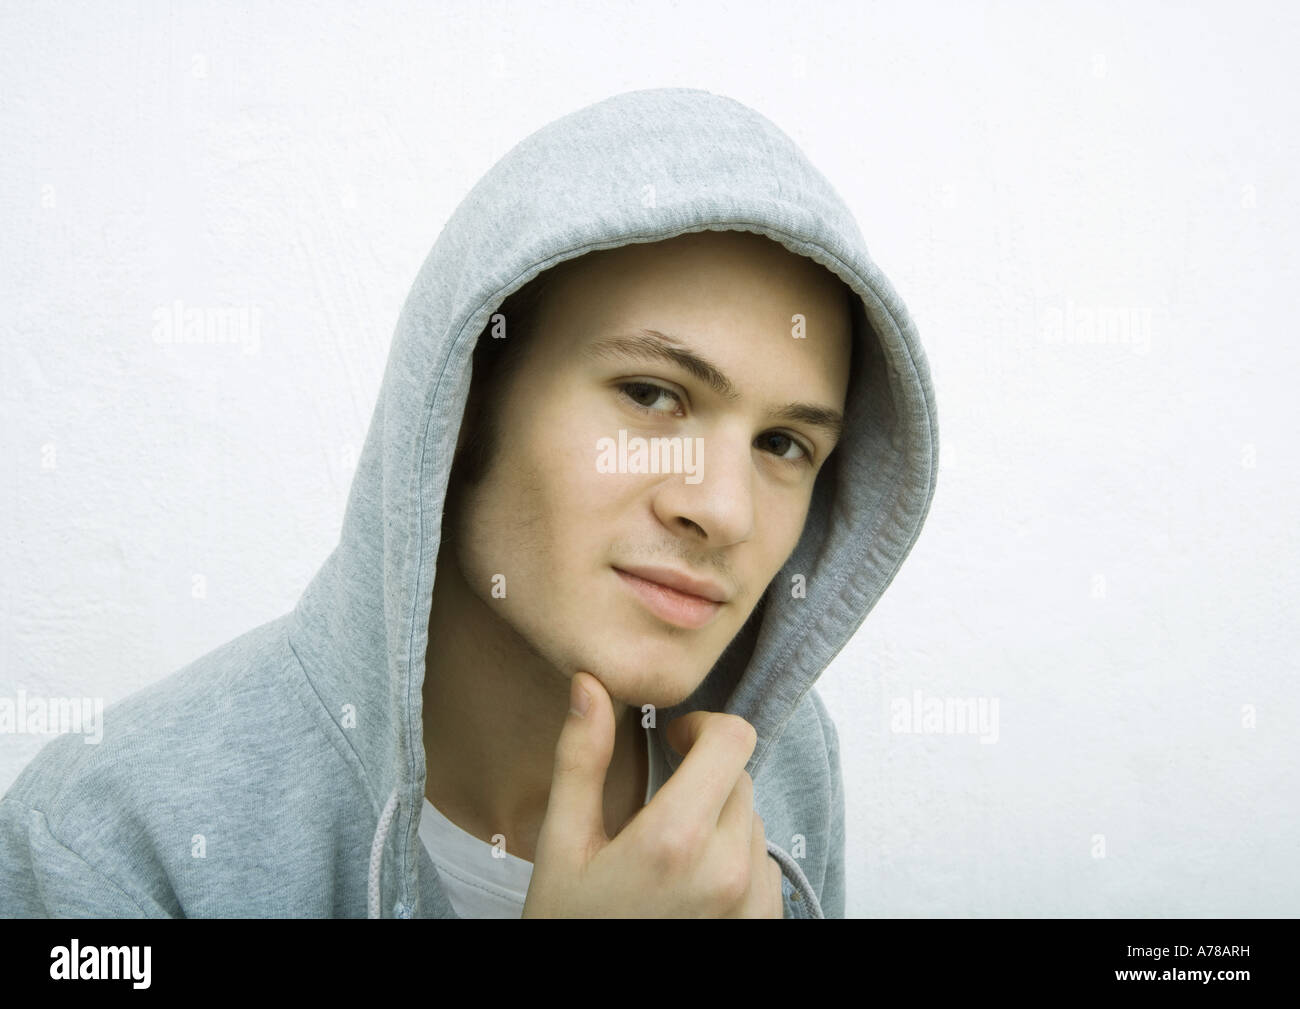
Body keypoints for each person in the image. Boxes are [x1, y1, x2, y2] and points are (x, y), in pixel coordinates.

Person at [0, 88, 939, 918]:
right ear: (466, 395)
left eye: (784, 444)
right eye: (651, 395)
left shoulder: (774, 762)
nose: (725, 511)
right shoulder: (109, 841)